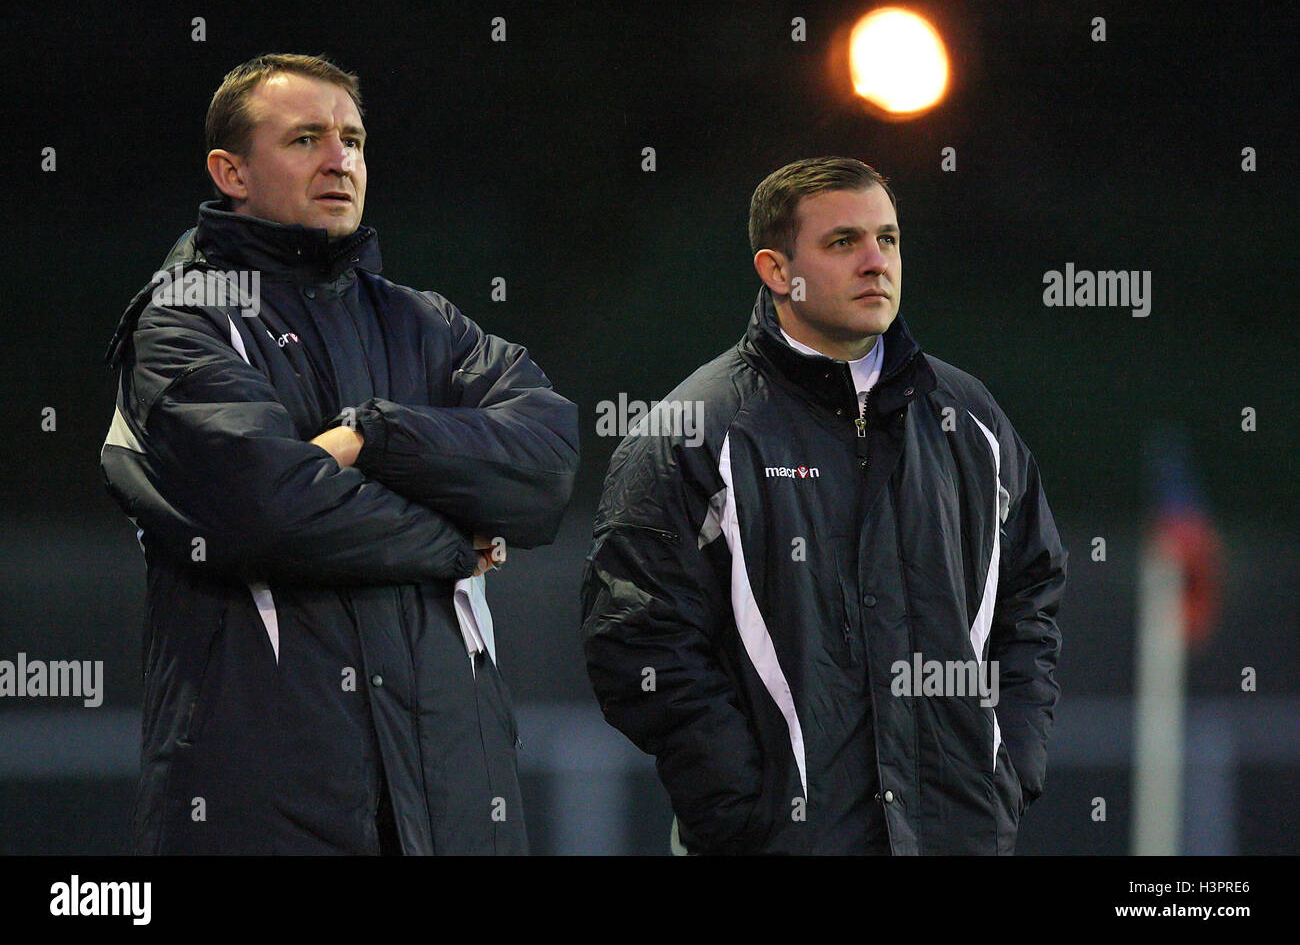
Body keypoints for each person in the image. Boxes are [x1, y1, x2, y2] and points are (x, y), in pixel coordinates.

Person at [100, 53, 579, 854]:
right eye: (306, 140)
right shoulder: (183, 322)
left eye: (353, 140)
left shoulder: (428, 323)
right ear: (231, 172)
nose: (339, 160)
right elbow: (268, 512)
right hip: (266, 812)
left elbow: (547, 470)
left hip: (456, 807)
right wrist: (454, 540)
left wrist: (372, 436)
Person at [580, 156, 1067, 854]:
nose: (876, 262)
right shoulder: (694, 430)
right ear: (777, 271)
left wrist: (1009, 763)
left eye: (888, 240)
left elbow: (1033, 596)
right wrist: (740, 804)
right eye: (844, 242)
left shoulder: (972, 419)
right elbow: (634, 636)